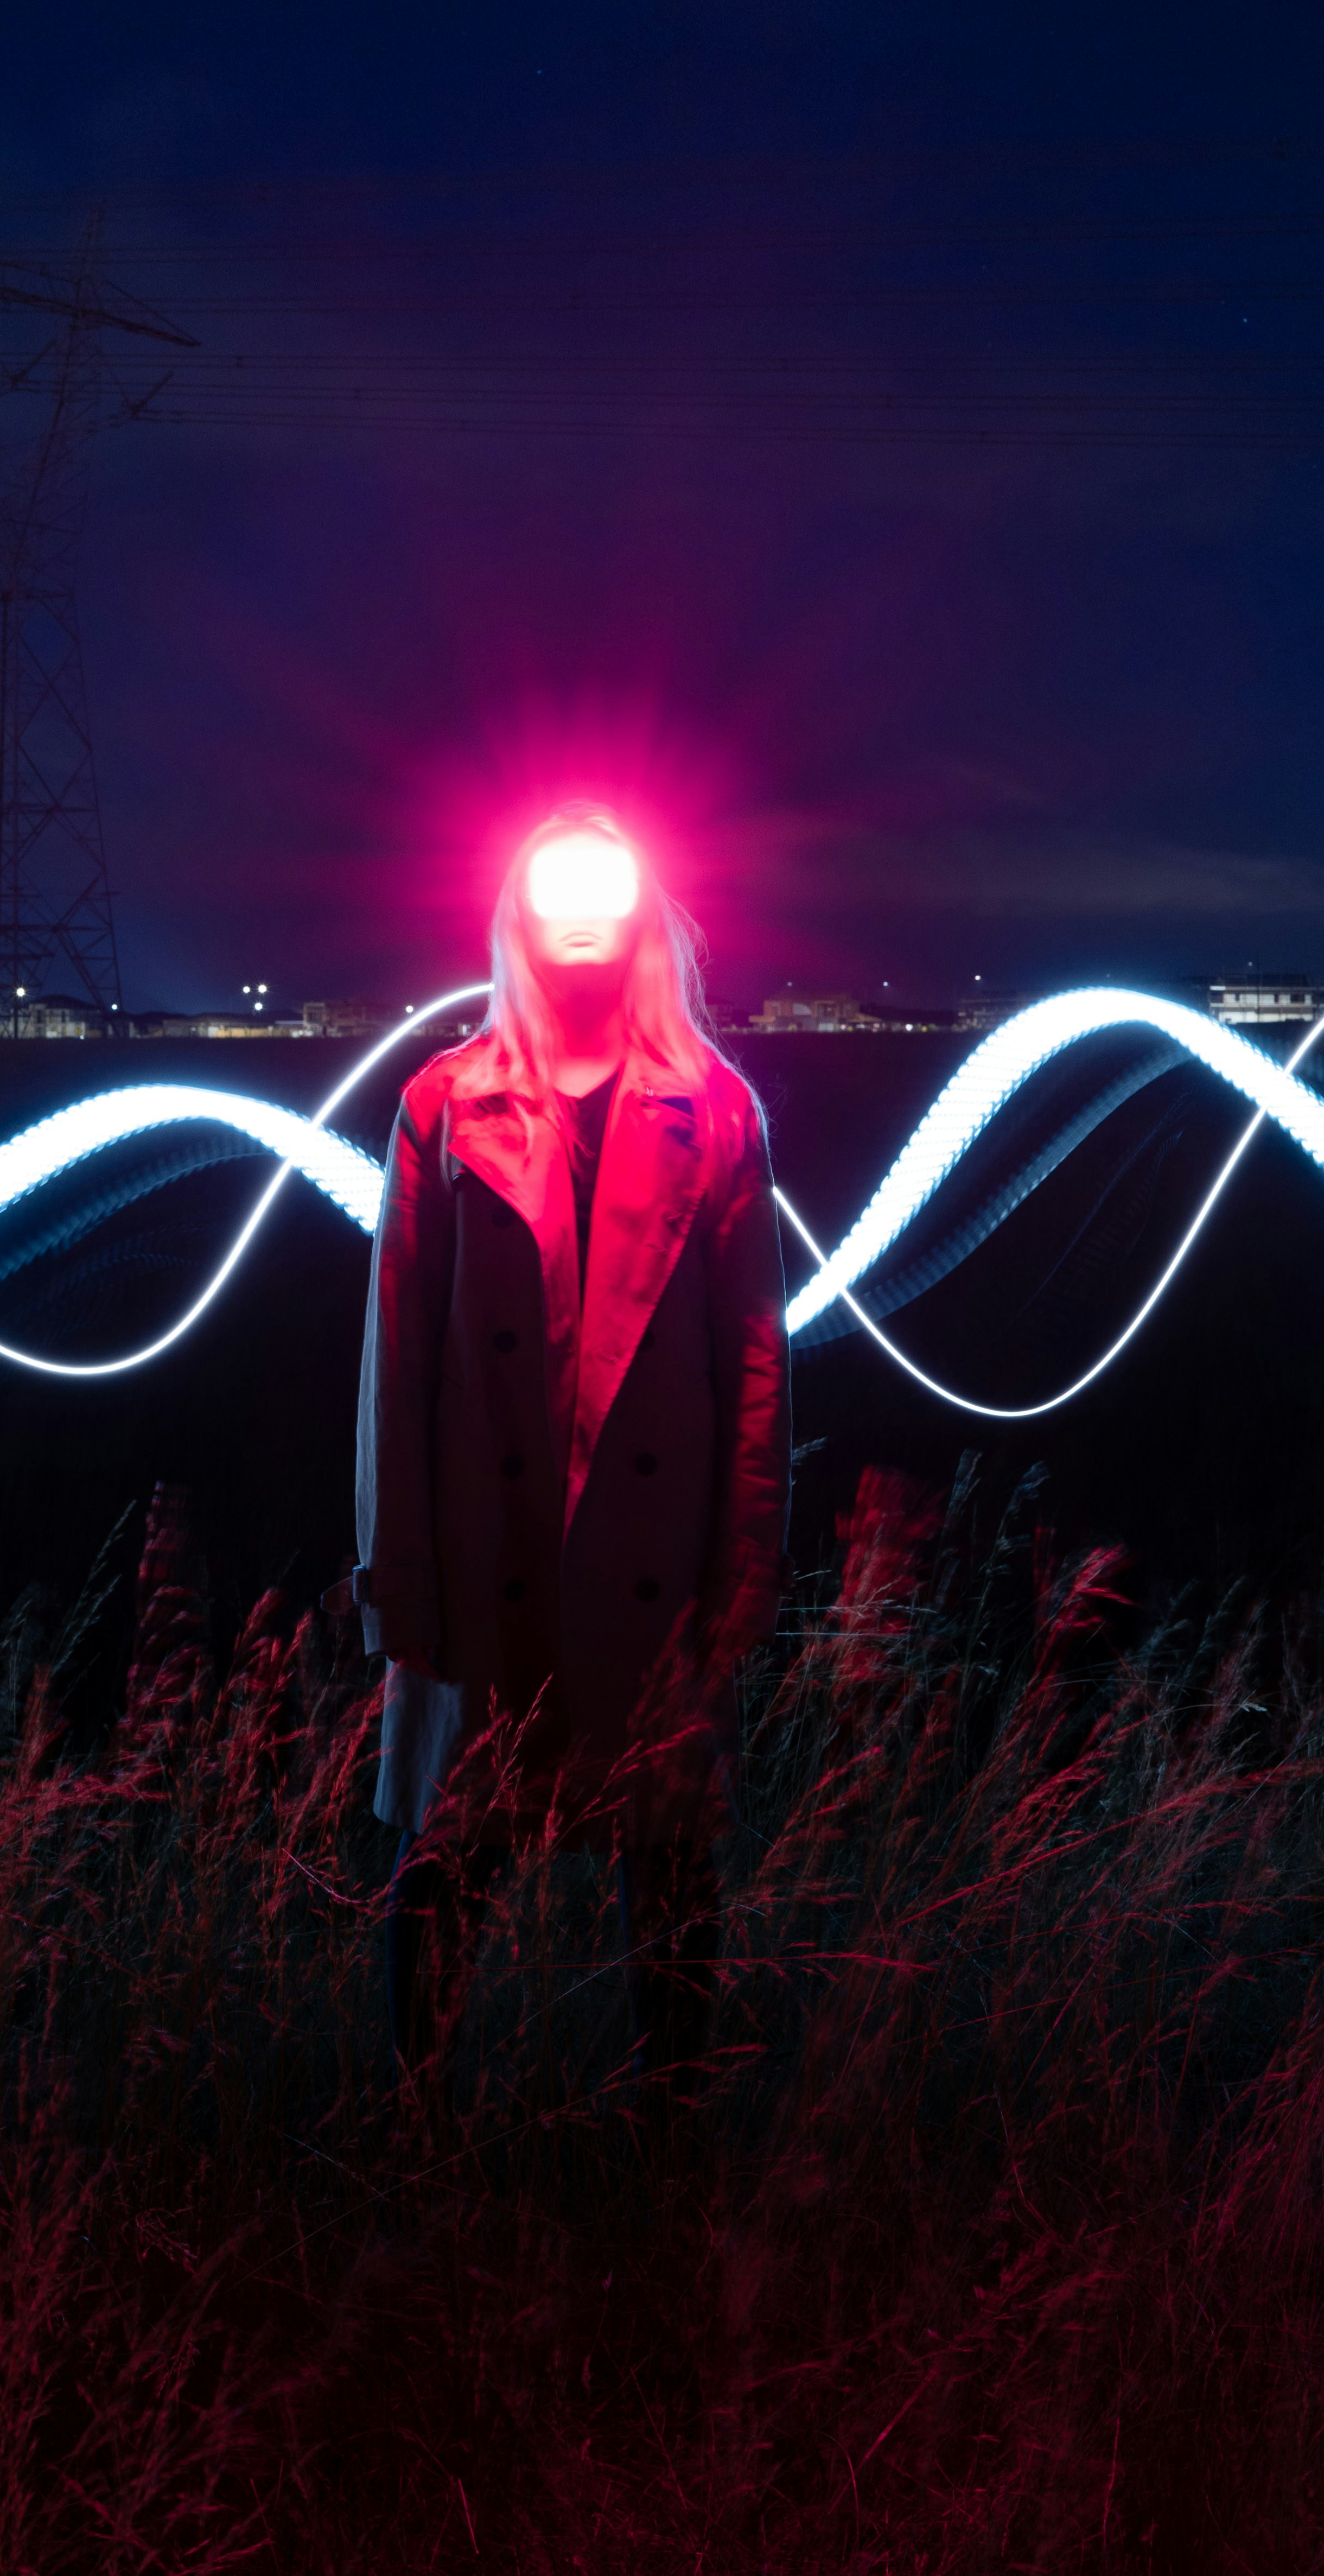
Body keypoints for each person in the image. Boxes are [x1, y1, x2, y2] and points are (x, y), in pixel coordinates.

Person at [351, 805, 791, 2105]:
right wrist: (399, 1584)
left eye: (607, 884)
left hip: (649, 1573)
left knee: (665, 1881)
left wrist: (744, 1575)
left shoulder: (714, 1112)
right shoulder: (443, 1104)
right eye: (555, 884)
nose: (581, 908)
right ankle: (416, 2138)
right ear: (517, 913)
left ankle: (666, 2156)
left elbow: (755, 1364)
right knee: (441, 1877)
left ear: (647, 910)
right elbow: (396, 1360)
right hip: (487, 1559)